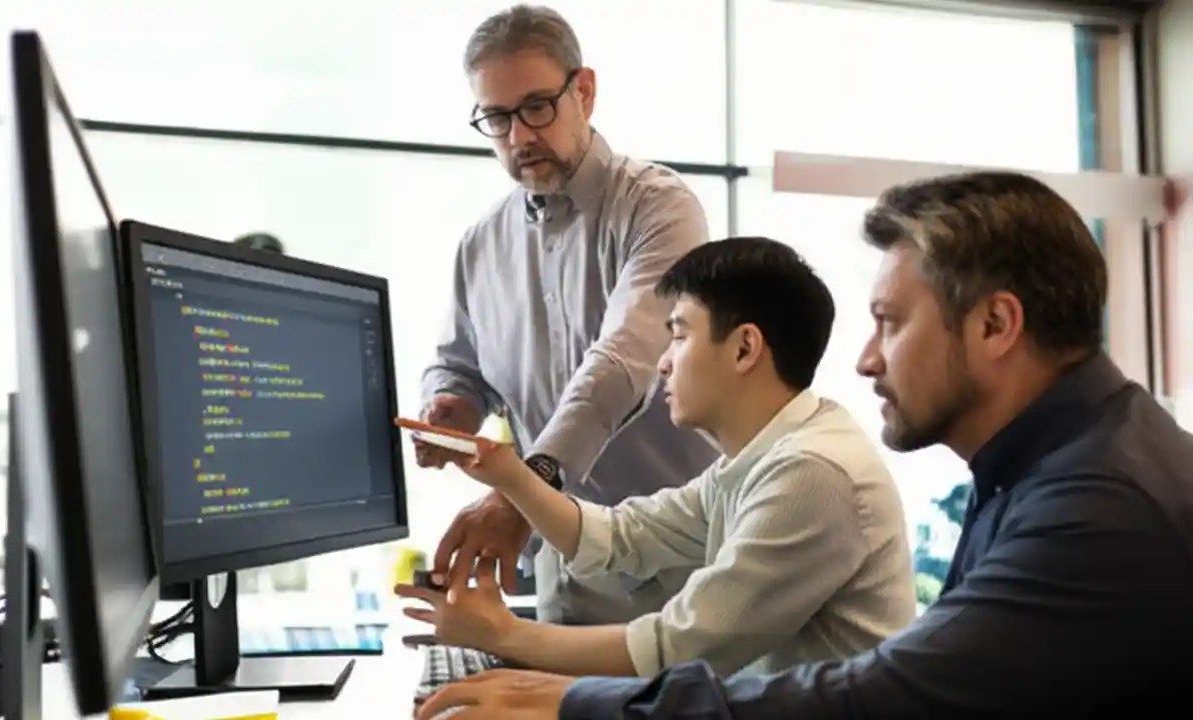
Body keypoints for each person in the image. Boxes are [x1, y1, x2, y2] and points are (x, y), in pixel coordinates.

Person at [413, 171, 1193, 719]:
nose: (867, 358)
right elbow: (627, 537)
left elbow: (886, 699)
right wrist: (513, 475)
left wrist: (556, 688)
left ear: (995, 326)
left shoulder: (1096, 508)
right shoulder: (1063, 465)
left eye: (892, 322)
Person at [397, 237, 914, 680]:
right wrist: (511, 475)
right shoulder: (765, 455)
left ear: (743, 349)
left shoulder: (810, 472)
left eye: (680, 335)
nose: (663, 363)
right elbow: (625, 535)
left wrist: (503, 634)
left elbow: (681, 646)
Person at [418, 3, 718, 625]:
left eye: (536, 107)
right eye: (497, 118)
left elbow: (620, 367)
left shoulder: (659, 208)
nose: (520, 137)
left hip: (683, 565)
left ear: (584, 91)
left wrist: (521, 494)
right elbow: (456, 364)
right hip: (568, 571)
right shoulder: (481, 244)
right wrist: (450, 403)